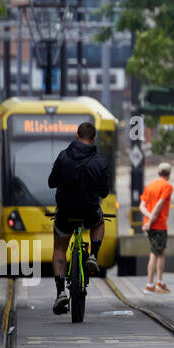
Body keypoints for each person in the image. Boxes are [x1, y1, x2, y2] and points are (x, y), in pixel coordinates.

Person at [47, 122, 111, 315]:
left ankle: (60, 293)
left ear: (76, 136)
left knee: (59, 249)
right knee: (99, 222)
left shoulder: (63, 156)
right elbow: (104, 192)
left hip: (65, 212)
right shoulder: (100, 161)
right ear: (94, 138)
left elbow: (51, 182)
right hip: (89, 211)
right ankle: (93, 254)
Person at [140, 163, 174, 294]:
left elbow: (142, 206)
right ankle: (150, 283)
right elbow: (160, 204)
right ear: (169, 174)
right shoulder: (167, 186)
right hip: (158, 224)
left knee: (160, 252)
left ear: (158, 172)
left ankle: (159, 282)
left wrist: (148, 218)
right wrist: (152, 219)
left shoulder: (149, 186)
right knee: (155, 254)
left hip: (151, 224)